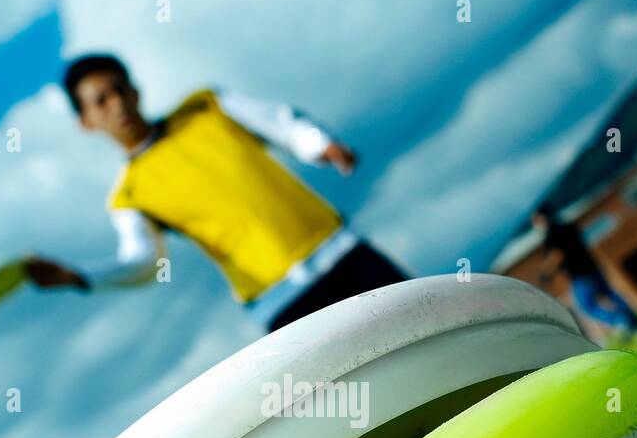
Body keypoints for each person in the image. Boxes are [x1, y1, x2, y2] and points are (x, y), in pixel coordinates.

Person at [26, 55, 407, 332]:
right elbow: (141, 262)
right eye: (100, 101)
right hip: (285, 302)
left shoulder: (207, 107)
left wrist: (319, 144)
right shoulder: (128, 195)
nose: (117, 104)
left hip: (346, 255)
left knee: (440, 339)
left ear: (135, 91)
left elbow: (282, 123)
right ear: (86, 122)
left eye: (119, 90)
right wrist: (79, 276)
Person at [531, 202, 637, 334]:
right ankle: (634, 320)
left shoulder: (551, 235)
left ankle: (620, 320)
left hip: (580, 276)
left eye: (535, 220)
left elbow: (557, 255)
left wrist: (545, 272)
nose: (535, 224)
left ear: (542, 218)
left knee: (587, 306)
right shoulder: (569, 227)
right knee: (610, 294)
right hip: (593, 268)